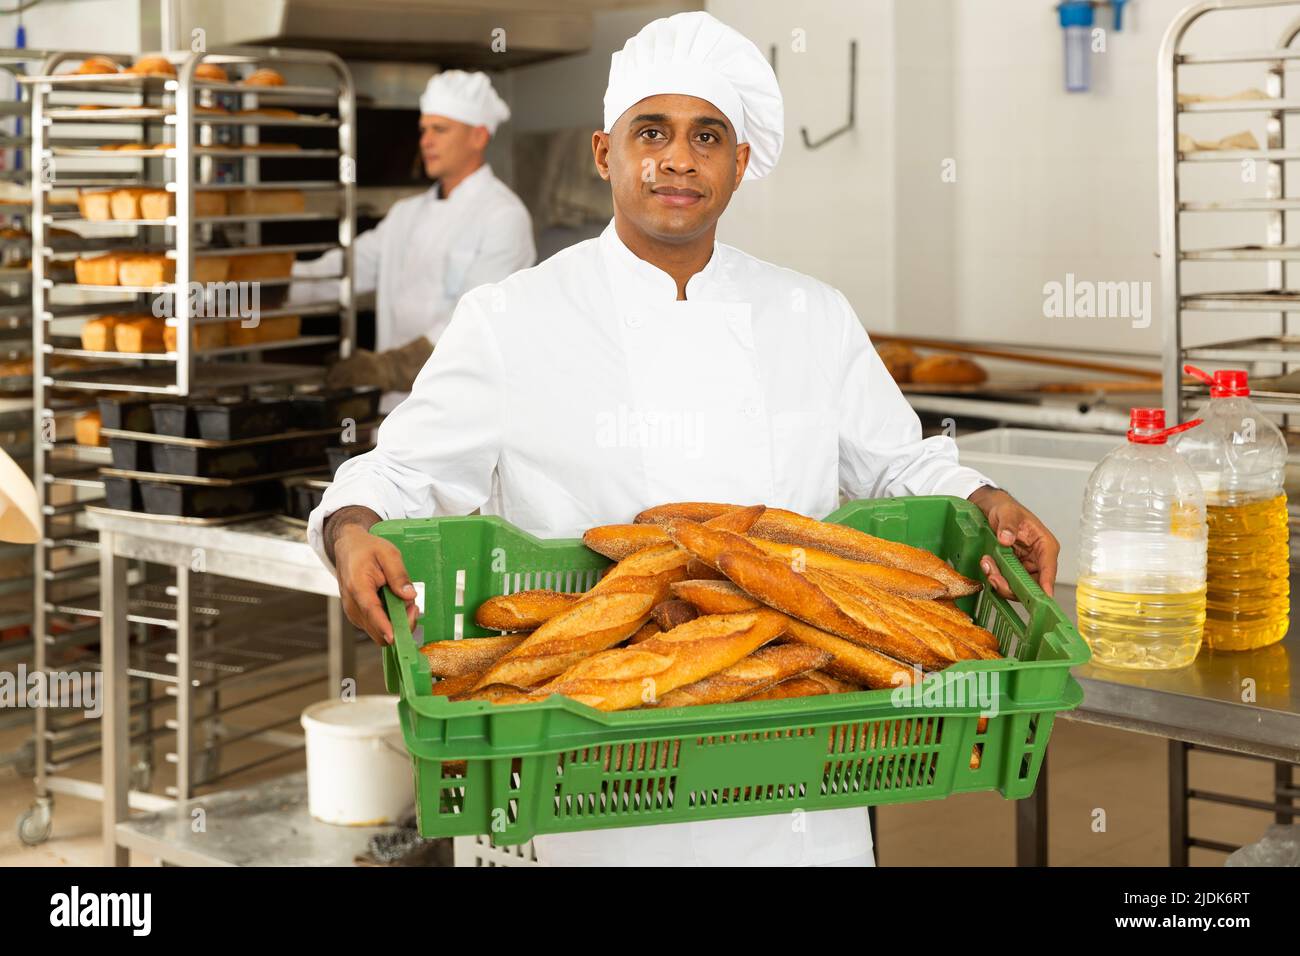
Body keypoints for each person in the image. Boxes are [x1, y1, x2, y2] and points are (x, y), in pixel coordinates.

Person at [309, 11, 1060, 866]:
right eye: (651, 132)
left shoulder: (808, 314)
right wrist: (352, 527)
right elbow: (401, 468)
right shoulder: (515, 320)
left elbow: (902, 463)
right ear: (605, 154)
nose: (676, 158)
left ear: (739, 164)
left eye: (707, 136)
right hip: (589, 778)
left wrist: (982, 498)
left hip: (800, 778)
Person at [291, 69, 535, 407]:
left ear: (478, 137)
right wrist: (263, 288)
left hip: (463, 407)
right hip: (397, 409)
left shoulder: (503, 215)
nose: (425, 141)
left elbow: (477, 324)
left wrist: (388, 368)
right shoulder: (405, 215)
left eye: (440, 130)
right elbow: (341, 273)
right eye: (423, 130)